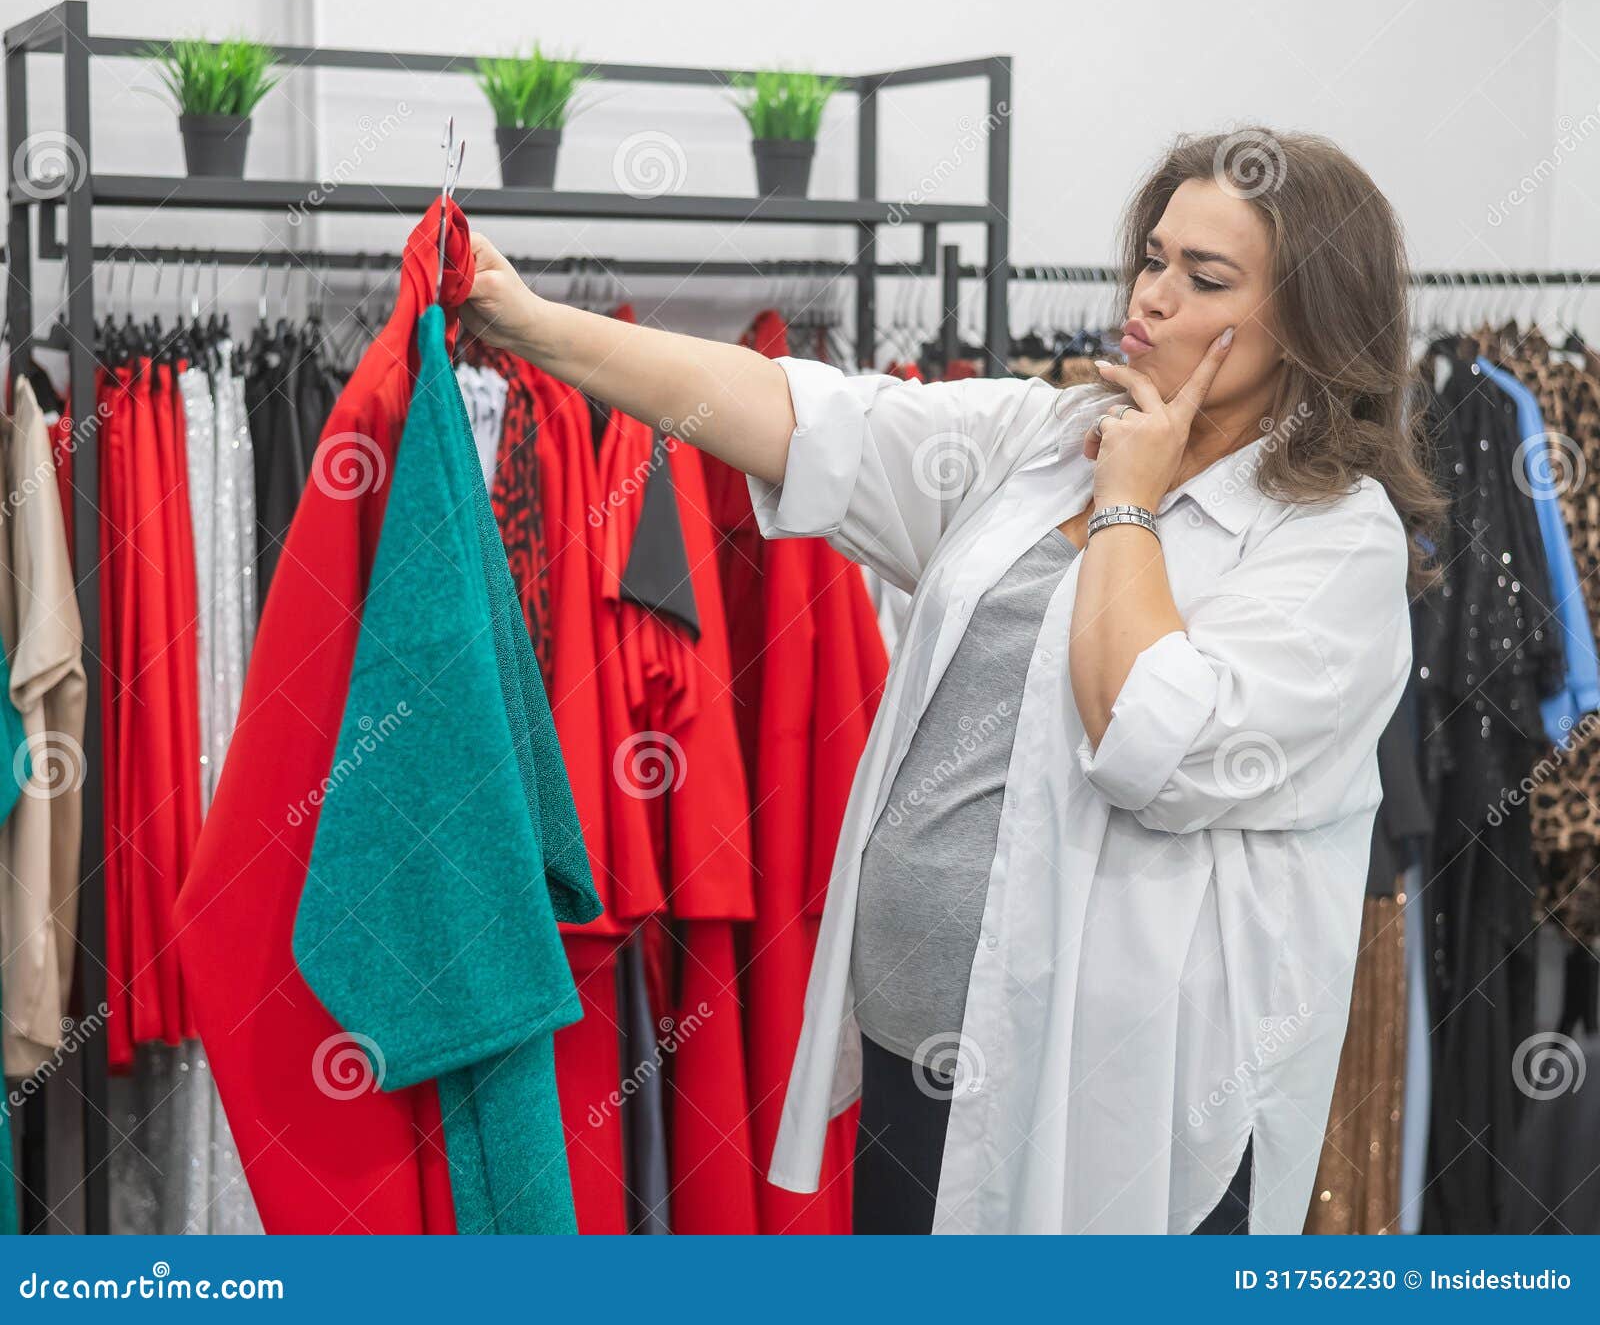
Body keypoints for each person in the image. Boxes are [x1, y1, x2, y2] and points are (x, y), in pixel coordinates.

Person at [460, 124, 1448, 1235]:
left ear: (1311, 326)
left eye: (1202, 277)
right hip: (920, 1047)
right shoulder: (1049, 435)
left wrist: (1128, 503)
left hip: (1117, 1098)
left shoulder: (1330, 540)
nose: (1153, 294)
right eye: (1153, 257)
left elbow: (1148, 740)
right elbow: (804, 415)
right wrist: (531, 322)